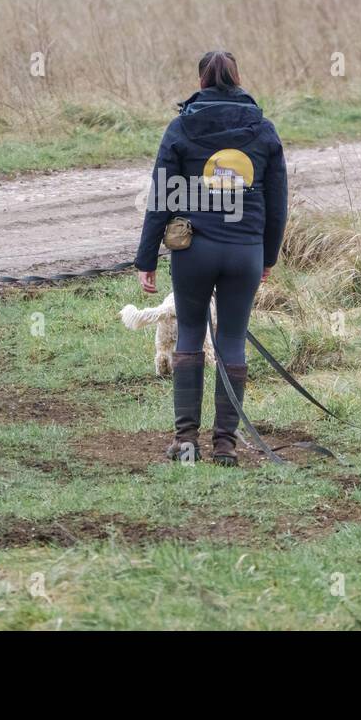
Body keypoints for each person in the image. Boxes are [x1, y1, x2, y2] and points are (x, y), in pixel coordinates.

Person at [134, 51, 289, 465]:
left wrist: (146, 257)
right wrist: (267, 256)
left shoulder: (181, 126)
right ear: (238, 79)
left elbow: (161, 195)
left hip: (194, 251)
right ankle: (225, 446)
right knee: (232, 342)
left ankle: (186, 442)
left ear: (201, 81)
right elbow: (278, 205)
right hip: (245, 253)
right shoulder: (264, 130)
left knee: (188, 335)